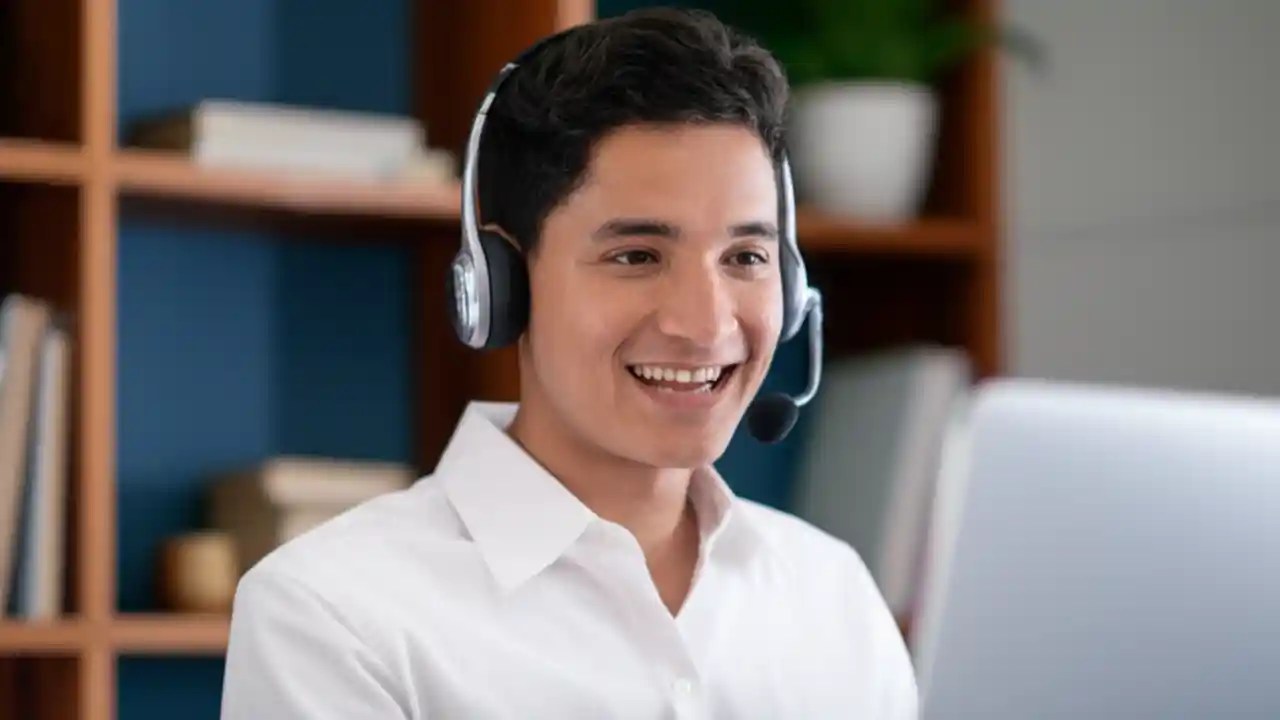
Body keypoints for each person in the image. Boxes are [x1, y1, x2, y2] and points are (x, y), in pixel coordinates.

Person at [220, 8, 916, 719]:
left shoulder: (833, 597)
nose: (705, 324)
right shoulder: (333, 617)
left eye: (746, 258)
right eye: (636, 257)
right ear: (501, 283)